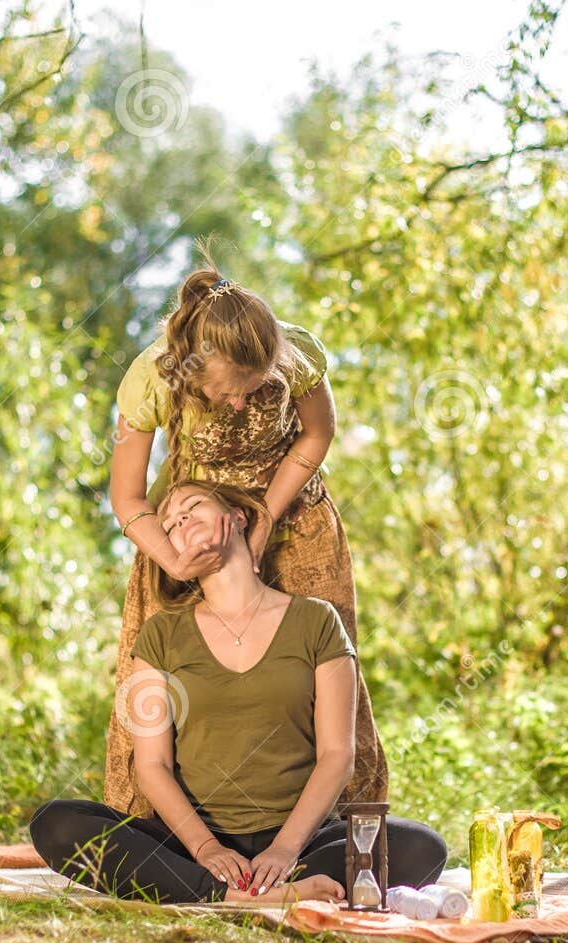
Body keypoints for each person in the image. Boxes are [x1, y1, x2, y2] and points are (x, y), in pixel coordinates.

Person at [30, 481, 446, 904]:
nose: (182, 521)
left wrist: (284, 849)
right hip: (192, 848)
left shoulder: (316, 621)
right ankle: (245, 896)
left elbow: (337, 756)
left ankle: (250, 886)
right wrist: (206, 849)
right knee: (56, 824)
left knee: (422, 847)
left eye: (193, 506)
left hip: (299, 843)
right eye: (171, 524)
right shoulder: (161, 636)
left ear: (237, 517)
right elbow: (152, 764)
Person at [102, 250, 388, 831]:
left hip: (293, 515)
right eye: (228, 394)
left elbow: (318, 432)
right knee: (167, 676)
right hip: (192, 530)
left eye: (254, 389)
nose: (240, 403)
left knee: (325, 669)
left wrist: (265, 520)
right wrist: (177, 561)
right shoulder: (154, 379)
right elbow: (127, 498)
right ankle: (171, 833)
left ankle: (339, 837)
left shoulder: (294, 351)